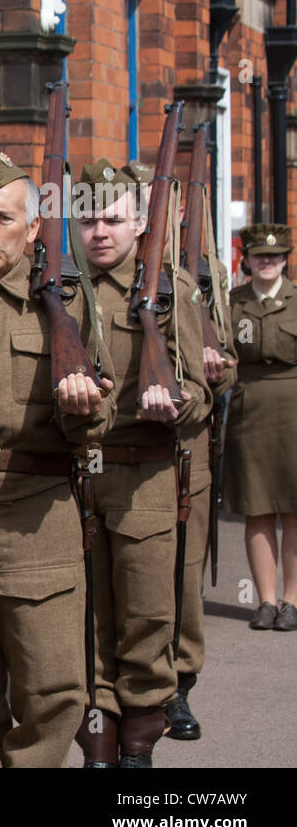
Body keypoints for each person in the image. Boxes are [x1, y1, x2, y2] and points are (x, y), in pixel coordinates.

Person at [0, 147, 115, 767]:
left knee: (53, 687)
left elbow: (104, 412)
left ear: (33, 227)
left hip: (39, 514)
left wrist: (84, 407)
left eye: (4, 218)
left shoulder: (65, 301)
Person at [71, 159, 210, 767]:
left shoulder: (170, 289)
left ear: (138, 227)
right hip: (76, 479)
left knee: (146, 615)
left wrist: (174, 404)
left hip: (145, 478)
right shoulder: (60, 288)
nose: (100, 231)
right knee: (87, 616)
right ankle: (99, 739)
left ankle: (139, 742)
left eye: (113, 219)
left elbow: (202, 395)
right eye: (89, 218)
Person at [167, 235, 238, 738]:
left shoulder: (200, 274)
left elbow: (228, 355)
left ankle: (179, 685)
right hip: (117, 452)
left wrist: (217, 371)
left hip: (186, 449)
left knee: (183, 573)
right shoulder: (89, 273)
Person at [223, 223, 297, 632]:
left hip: (294, 412)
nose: (267, 262)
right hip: (250, 412)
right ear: (247, 261)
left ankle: (291, 600)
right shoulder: (232, 304)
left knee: (294, 509)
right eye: (259, 256)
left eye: (275, 256)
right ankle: (265, 601)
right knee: (258, 508)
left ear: (285, 259)